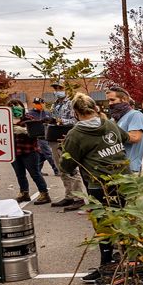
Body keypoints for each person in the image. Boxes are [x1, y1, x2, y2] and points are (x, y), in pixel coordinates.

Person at [60, 93, 130, 271]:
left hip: (99, 185)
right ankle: (128, 261)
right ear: (95, 107)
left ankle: (106, 266)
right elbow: (125, 138)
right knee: (123, 219)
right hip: (124, 180)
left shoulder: (75, 134)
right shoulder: (109, 124)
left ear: (76, 112)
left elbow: (67, 164)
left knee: (103, 224)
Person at [8, 99, 51, 204]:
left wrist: (25, 131)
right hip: (14, 152)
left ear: (22, 108)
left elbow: (39, 133)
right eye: (12, 107)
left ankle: (44, 194)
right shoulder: (6, 121)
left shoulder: (29, 118)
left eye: (17, 106)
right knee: (20, 174)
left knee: (35, 173)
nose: (15, 109)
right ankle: (24, 193)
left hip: (29, 151)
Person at [106, 87, 143, 173]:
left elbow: (135, 137)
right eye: (108, 101)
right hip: (115, 168)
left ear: (124, 99)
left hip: (130, 168)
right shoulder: (114, 119)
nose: (110, 103)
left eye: (112, 100)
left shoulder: (135, 115)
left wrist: (112, 131)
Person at [26, 98, 59, 175]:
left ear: (43, 104)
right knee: (49, 154)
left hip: (48, 136)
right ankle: (57, 170)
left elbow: (53, 122)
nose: (38, 105)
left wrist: (50, 120)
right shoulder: (30, 114)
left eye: (40, 103)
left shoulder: (47, 113)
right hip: (38, 137)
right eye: (36, 103)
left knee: (42, 155)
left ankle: (37, 171)